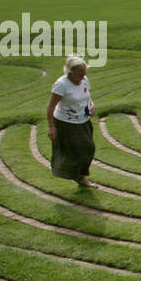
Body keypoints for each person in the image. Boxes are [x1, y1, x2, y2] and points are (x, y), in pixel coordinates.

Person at [46, 55, 97, 188]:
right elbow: (50, 107)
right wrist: (52, 127)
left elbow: (88, 95)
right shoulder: (61, 85)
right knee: (78, 151)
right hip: (66, 124)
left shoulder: (84, 80)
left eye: (84, 70)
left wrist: (92, 105)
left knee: (89, 148)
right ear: (71, 71)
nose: (84, 73)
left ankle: (79, 176)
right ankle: (79, 177)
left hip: (83, 120)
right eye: (80, 71)